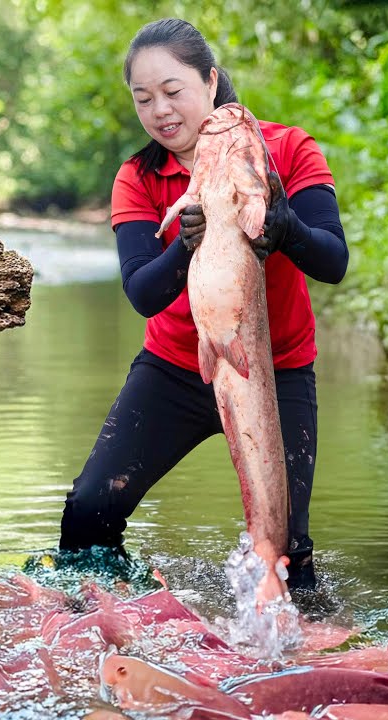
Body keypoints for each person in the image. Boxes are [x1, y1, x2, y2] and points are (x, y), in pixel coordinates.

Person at [58, 18, 347, 595]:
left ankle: (301, 649)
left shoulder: (286, 149)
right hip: (175, 367)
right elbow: (143, 293)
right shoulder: (138, 178)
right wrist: (185, 246)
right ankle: (116, 611)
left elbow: (333, 261)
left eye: (172, 91)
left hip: (275, 371)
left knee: (290, 553)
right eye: (143, 99)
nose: (160, 110)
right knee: (89, 512)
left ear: (211, 81)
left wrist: (284, 226)